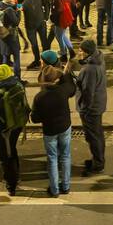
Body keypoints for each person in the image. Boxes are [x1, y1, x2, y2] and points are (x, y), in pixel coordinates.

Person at [30, 63, 77, 197]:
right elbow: (71, 87)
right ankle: (66, 185)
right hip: (64, 127)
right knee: (66, 155)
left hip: (50, 130)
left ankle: (55, 189)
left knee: (52, 158)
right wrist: (65, 73)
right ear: (56, 79)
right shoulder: (62, 91)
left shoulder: (40, 97)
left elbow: (35, 118)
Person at [0, 63, 28, 195]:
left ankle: (11, 184)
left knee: (4, 156)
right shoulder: (18, 85)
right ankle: (17, 176)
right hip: (16, 126)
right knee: (12, 150)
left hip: (2, 130)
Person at [76, 39, 108, 175]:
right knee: (97, 134)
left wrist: (85, 108)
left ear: (87, 52)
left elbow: (88, 91)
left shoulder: (90, 69)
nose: (79, 52)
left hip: (91, 108)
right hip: (98, 104)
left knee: (93, 136)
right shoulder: (97, 60)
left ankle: (98, 163)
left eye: (81, 50)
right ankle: (97, 159)